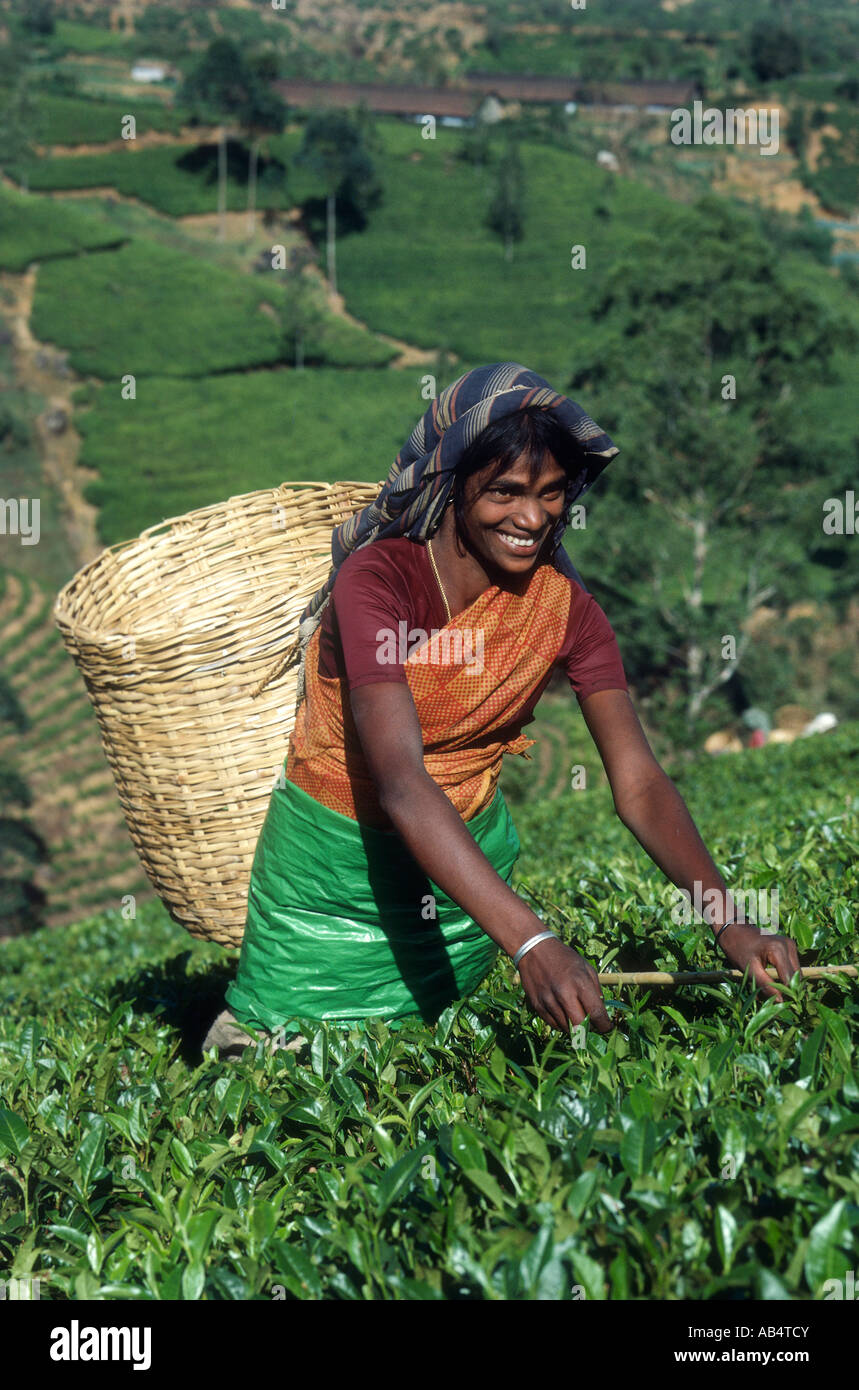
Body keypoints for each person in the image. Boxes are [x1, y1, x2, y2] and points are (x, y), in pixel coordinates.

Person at [202, 363, 801, 1060]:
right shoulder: (378, 581)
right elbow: (399, 777)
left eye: (551, 495)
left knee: (431, 1083)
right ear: (453, 486)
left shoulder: (566, 612)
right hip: (333, 877)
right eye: (505, 492)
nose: (532, 516)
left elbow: (637, 783)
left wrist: (730, 924)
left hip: (463, 899)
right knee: (268, 1064)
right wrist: (534, 942)